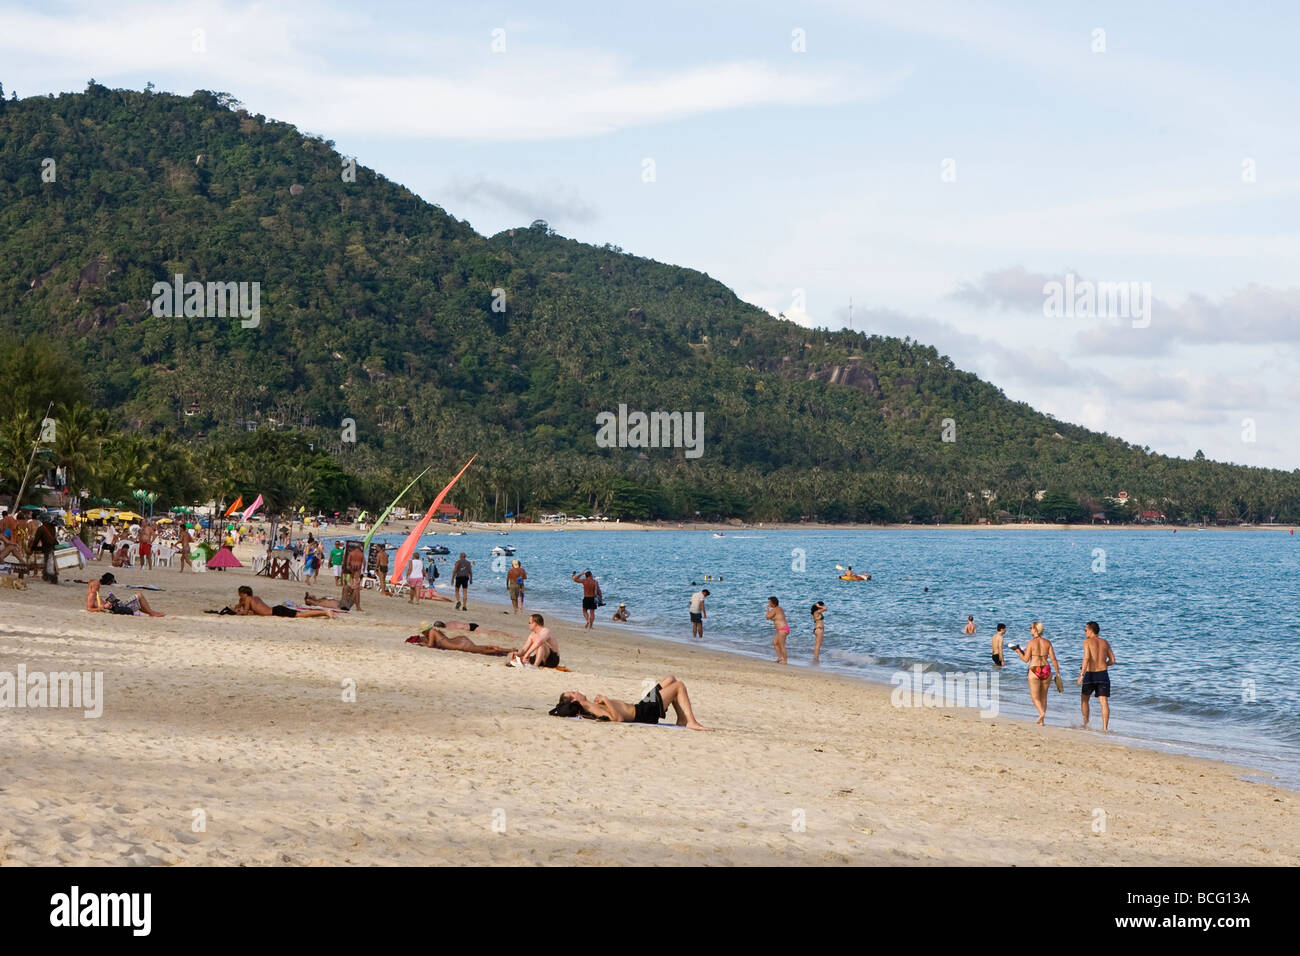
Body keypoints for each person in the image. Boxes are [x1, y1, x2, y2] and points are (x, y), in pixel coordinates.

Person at [549, 676, 706, 730]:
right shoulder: (591, 709)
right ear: (575, 700)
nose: (576, 690)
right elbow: (618, 719)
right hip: (643, 713)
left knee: (670, 679)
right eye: (573, 692)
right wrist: (606, 701)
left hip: (640, 706)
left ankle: (681, 719)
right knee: (679, 686)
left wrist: (603, 701)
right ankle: (691, 721)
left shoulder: (590, 704)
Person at [1012, 621, 1060, 725]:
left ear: (1035, 630)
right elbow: (1054, 659)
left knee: (1034, 697)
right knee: (1043, 696)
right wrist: (1058, 673)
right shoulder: (1048, 642)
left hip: (1034, 669)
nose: (1030, 630)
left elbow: (1025, 659)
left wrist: (1018, 652)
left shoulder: (1030, 643)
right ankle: (1042, 721)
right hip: (1046, 669)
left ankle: (1042, 714)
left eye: (1031, 628)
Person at [1077, 621, 1115, 730]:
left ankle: (1085, 723)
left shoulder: (1087, 642)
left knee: (1084, 699)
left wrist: (1081, 674)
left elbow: (1086, 658)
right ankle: (1104, 728)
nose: (1085, 632)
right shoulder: (1105, 643)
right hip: (1103, 674)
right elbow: (1112, 660)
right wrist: (1103, 664)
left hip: (1090, 674)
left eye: (1085, 630)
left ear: (1090, 630)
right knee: (1103, 702)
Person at [227, 585, 331, 618]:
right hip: (276, 609)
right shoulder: (255, 598)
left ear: (244, 594)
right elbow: (250, 609)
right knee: (301, 614)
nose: (240, 597)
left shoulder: (248, 600)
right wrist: (238, 605)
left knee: (301, 614)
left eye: (240, 595)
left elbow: (245, 612)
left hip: (276, 611)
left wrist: (236, 612)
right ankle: (324, 612)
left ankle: (325, 612)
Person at [86, 573, 164, 616]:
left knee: (138, 602)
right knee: (139, 595)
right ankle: (152, 613)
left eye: (98, 586)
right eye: (96, 587)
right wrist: (99, 609)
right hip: (117, 608)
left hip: (116, 607)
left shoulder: (95, 594)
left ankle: (151, 612)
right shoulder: (92, 595)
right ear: (91, 587)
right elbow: (89, 608)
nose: (98, 588)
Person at [412, 625, 512, 656]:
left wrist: (421, 644)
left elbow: (430, 645)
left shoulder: (432, 632)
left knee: (482, 651)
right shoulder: (434, 632)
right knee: (480, 648)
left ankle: (507, 650)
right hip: (459, 641)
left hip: (461, 645)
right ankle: (507, 649)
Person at [765, 596, 789, 664]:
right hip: (782, 629)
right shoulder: (779, 609)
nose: (769, 604)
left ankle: (785, 660)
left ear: (773, 603)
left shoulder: (775, 609)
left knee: (782, 645)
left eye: (770, 602)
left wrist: (767, 609)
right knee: (775, 643)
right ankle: (779, 658)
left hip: (782, 629)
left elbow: (767, 617)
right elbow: (776, 618)